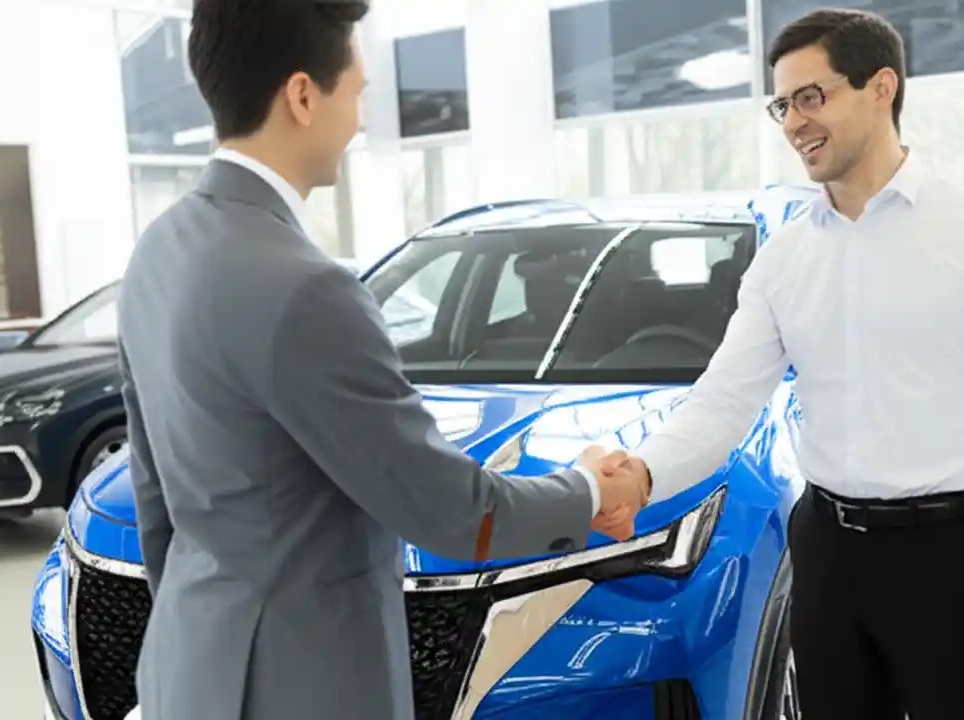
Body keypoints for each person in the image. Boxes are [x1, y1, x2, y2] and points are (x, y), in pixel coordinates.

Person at [115, 2, 648, 719]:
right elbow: (455, 514)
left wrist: (207, 630)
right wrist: (587, 489)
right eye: (358, 92)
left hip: (187, 665)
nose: (361, 119)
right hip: (305, 686)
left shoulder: (157, 251)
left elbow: (157, 504)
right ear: (303, 96)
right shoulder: (305, 287)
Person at [595, 8, 964, 720]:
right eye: (783, 104)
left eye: (812, 96)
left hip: (950, 555)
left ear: (882, 87)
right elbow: (725, 401)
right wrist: (641, 473)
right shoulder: (786, 256)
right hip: (826, 553)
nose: (794, 122)